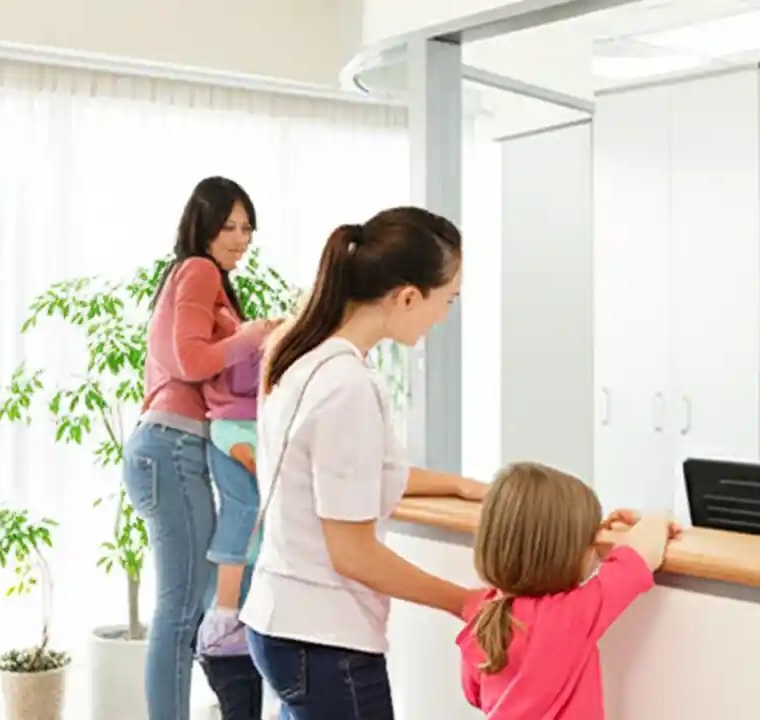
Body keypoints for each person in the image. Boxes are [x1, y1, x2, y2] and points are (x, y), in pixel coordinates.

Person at [240, 207, 489, 719]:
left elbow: (343, 471)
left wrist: (459, 486)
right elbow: (352, 554)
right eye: (448, 300)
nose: (444, 316)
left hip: (283, 623)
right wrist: (465, 602)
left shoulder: (302, 354)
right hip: (324, 640)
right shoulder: (346, 386)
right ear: (407, 297)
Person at [121, 176, 279, 720]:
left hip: (171, 448)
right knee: (181, 609)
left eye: (247, 226)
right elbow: (191, 361)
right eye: (228, 225)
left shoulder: (204, 278)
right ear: (202, 226)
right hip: (170, 446)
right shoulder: (199, 269)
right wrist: (253, 334)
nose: (241, 237)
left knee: (216, 593)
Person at [456, 462, 678, 719]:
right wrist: (655, 518)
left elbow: (474, 694)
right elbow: (644, 551)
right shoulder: (572, 615)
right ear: (572, 554)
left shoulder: (481, 618)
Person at [196, 344, 266, 720]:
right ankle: (221, 621)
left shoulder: (246, 424)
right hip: (236, 563)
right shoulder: (228, 426)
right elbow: (259, 467)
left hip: (254, 565)